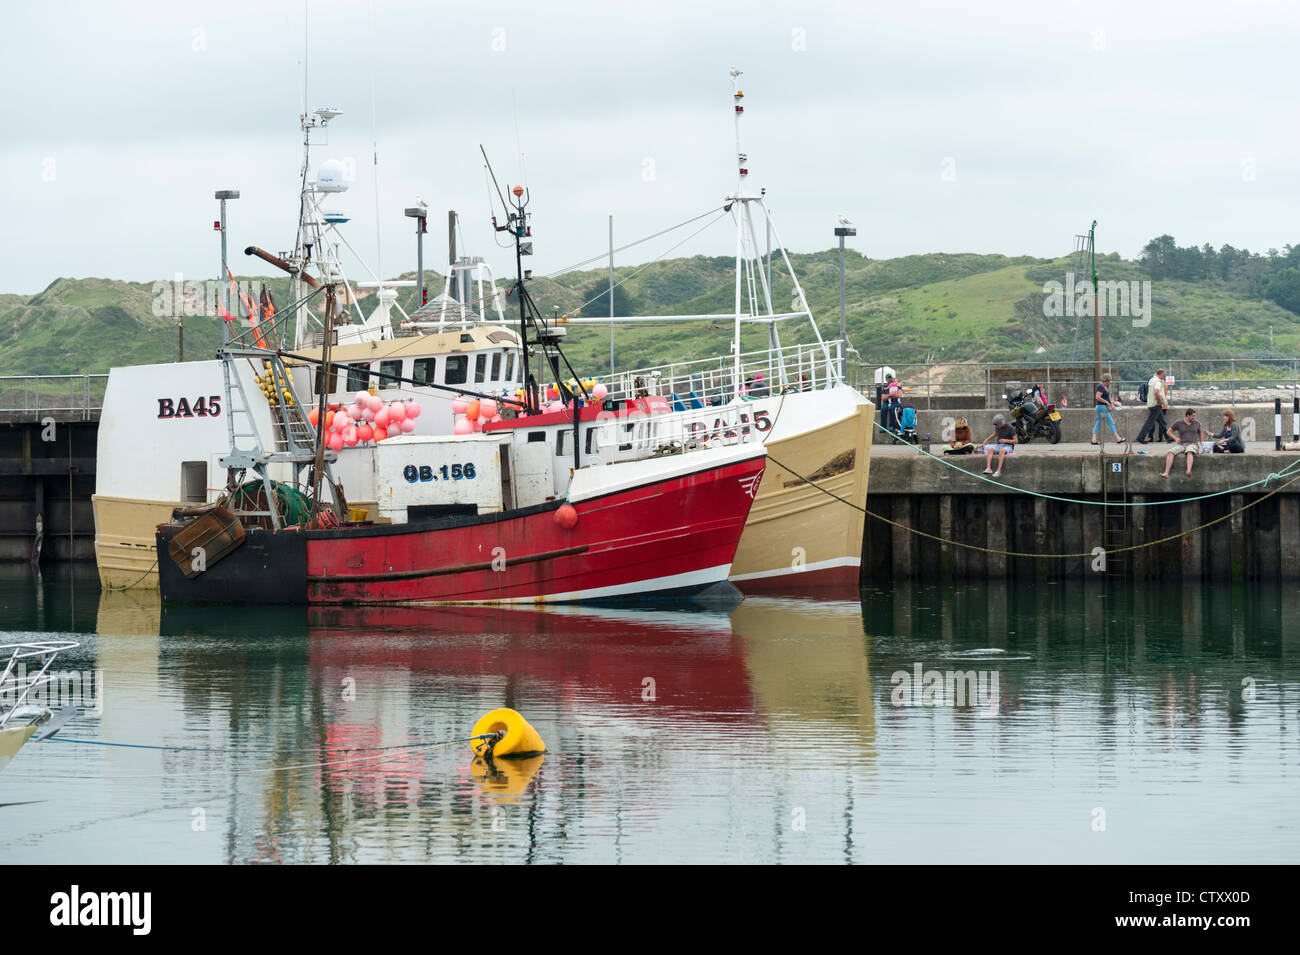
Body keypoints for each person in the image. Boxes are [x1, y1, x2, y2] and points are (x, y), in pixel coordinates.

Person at [1160, 408, 1206, 478]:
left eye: (1194, 416)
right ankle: (1166, 473)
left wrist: (1203, 444)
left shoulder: (1197, 423)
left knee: (1190, 451)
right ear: (1188, 415)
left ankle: (1188, 471)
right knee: (1170, 452)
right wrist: (1175, 438)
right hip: (1181, 444)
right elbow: (1168, 432)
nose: (1194, 417)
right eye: (1193, 416)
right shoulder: (1178, 423)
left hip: (1193, 444)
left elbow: (1200, 434)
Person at [1136, 368, 1170, 443]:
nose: (1164, 377)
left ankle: (1168, 437)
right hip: (1155, 404)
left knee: (1162, 422)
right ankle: (1140, 437)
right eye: (1164, 375)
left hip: (1151, 403)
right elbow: (1156, 392)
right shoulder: (1158, 382)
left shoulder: (1152, 380)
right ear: (1160, 374)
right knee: (1150, 422)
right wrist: (1159, 401)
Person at [1092, 374, 1126, 446]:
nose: (1109, 382)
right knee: (1111, 422)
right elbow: (1097, 397)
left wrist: (1114, 403)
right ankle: (1118, 438)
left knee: (1098, 423)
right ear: (1106, 381)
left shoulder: (1104, 387)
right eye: (1109, 381)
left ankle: (1094, 439)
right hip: (1102, 406)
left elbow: (1108, 398)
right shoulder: (1100, 386)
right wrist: (1107, 402)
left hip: (1101, 406)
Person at [982, 413, 1017, 477]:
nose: (996, 426)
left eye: (997, 425)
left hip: (1008, 446)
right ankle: (988, 468)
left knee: (1002, 451)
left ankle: (998, 470)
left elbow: (1016, 441)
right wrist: (986, 440)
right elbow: (995, 434)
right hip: (999, 445)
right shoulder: (997, 427)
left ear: (1001, 423)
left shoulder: (1010, 428)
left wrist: (1005, 440)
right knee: (990, 450)